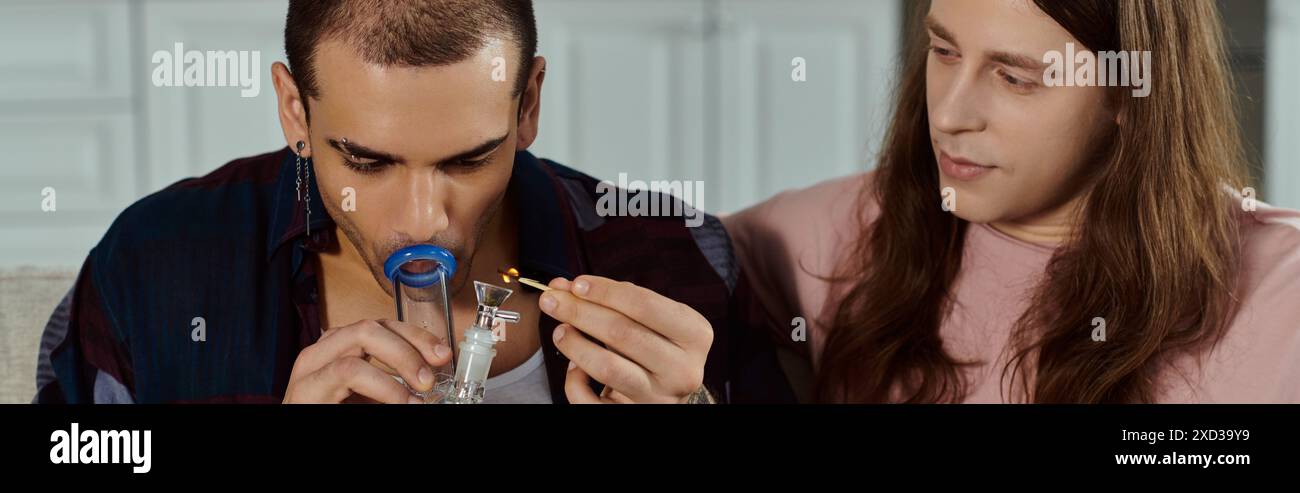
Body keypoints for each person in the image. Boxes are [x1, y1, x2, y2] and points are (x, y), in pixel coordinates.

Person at [35, 0, 794, 404]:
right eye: (366, 161)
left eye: (470, 160)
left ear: (527, 105)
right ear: (295, 111)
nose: (424, 220)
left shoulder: (678, 257)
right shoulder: (154, 270)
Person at [725, 0, 1300, 403]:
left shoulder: (1283, 292)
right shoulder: (832, 229)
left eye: (1015, 78)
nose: (948, 115)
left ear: (1133, 92)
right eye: (944, 51)